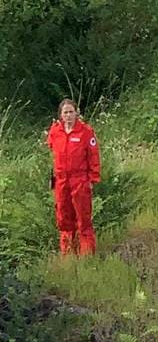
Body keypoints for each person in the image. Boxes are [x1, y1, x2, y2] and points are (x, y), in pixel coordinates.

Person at [46, 99, 100, 255]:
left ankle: (86, 256)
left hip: (80, 180)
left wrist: (92, 179)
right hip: (61, 181)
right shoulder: (55, 131)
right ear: (61, 115)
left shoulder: (86, 132)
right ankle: (68, 254)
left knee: (83, 220)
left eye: (71, 112)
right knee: (63, 219)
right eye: (65, 113)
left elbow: (94, 156)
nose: (68, 115)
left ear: (77, 113)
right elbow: (51, 147)